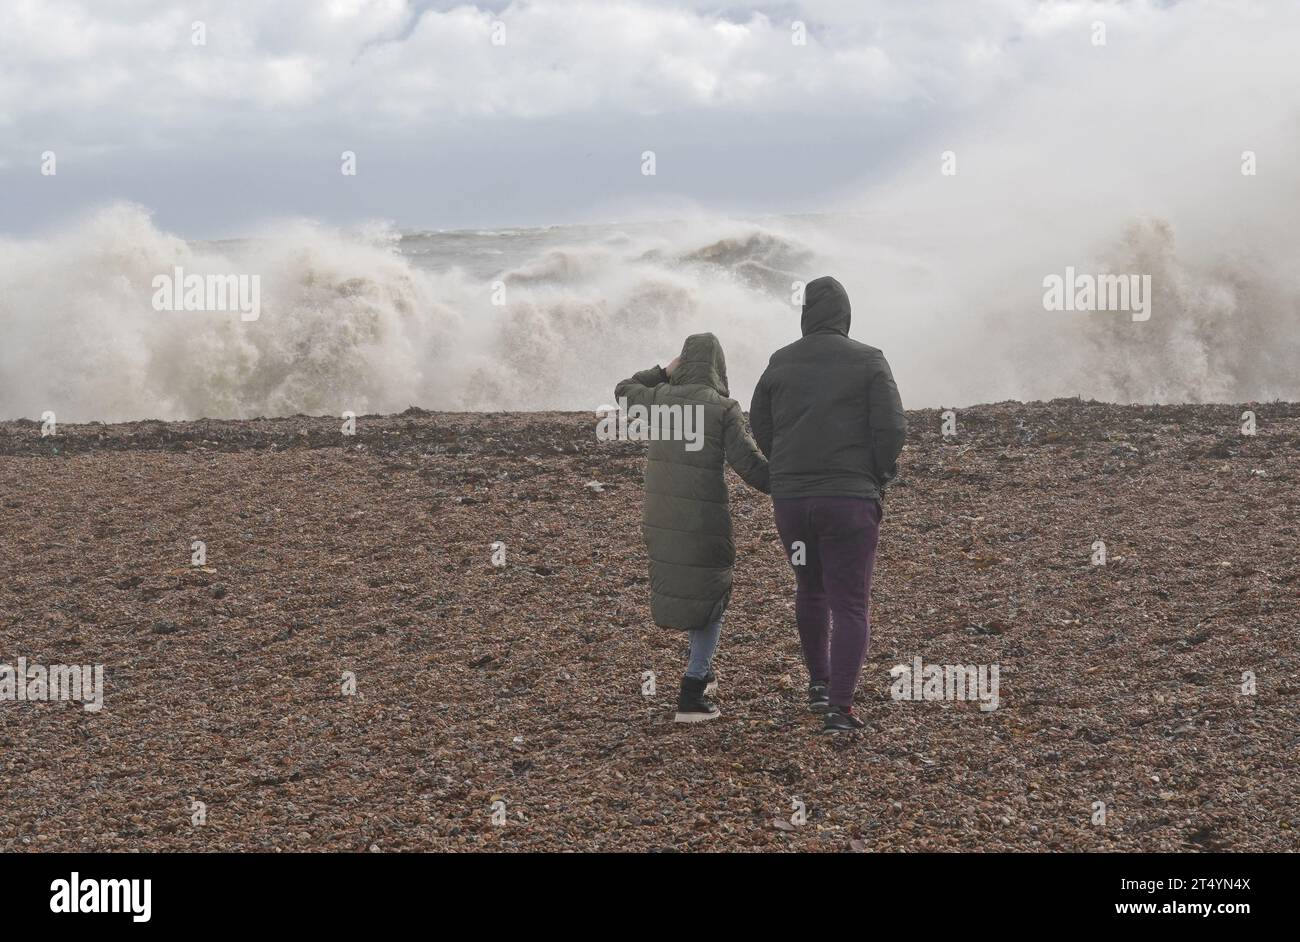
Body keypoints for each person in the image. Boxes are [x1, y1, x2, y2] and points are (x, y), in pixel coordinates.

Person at [749, 276, 907, 733]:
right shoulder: (869, 359)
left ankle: (818, 685)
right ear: (845, 314)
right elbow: (892, 429)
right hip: (849, 501)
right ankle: (840, 707)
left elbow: (760, 420)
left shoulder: (781, 360)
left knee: (810, 588)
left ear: (805, 314)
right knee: (851, 603)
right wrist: (876, 473)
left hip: (793, 503)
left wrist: (785, 464)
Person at [614, 333, 769, 722]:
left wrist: (662, 372)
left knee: (690, 589)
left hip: (659, 516)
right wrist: (793, 482)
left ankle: (701, 671)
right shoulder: (723, 408)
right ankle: (693, 691)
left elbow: (623, 390)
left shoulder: (660, 401)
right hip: (704, 521)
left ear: (683, 363)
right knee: (712, 598)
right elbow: (749, 466)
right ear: (719, 367)